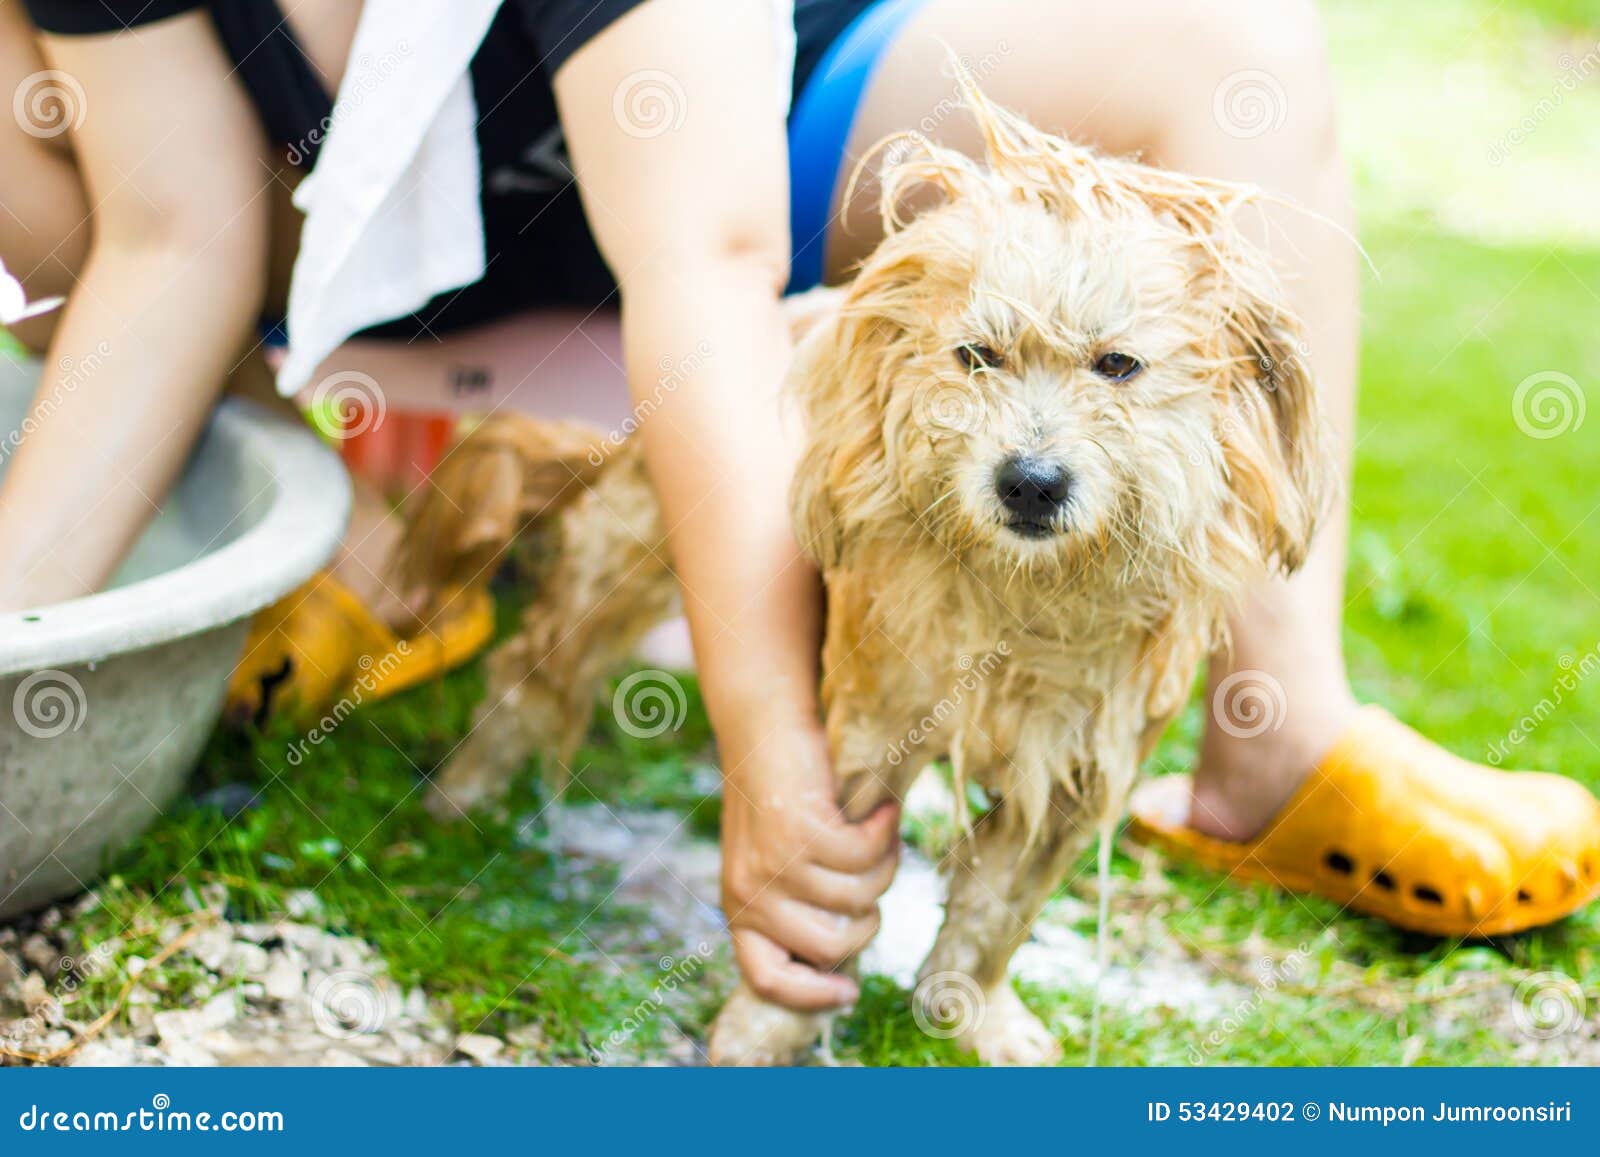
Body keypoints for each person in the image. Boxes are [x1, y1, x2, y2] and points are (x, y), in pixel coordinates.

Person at [1, 0, 1594, 1018]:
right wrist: (22, 674)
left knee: (1239, 57)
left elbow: (705, 259)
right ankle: (341, 535)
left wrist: (773, 743)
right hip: (327, 241)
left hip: (741, 167)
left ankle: (1277, 732)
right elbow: (168, 233)